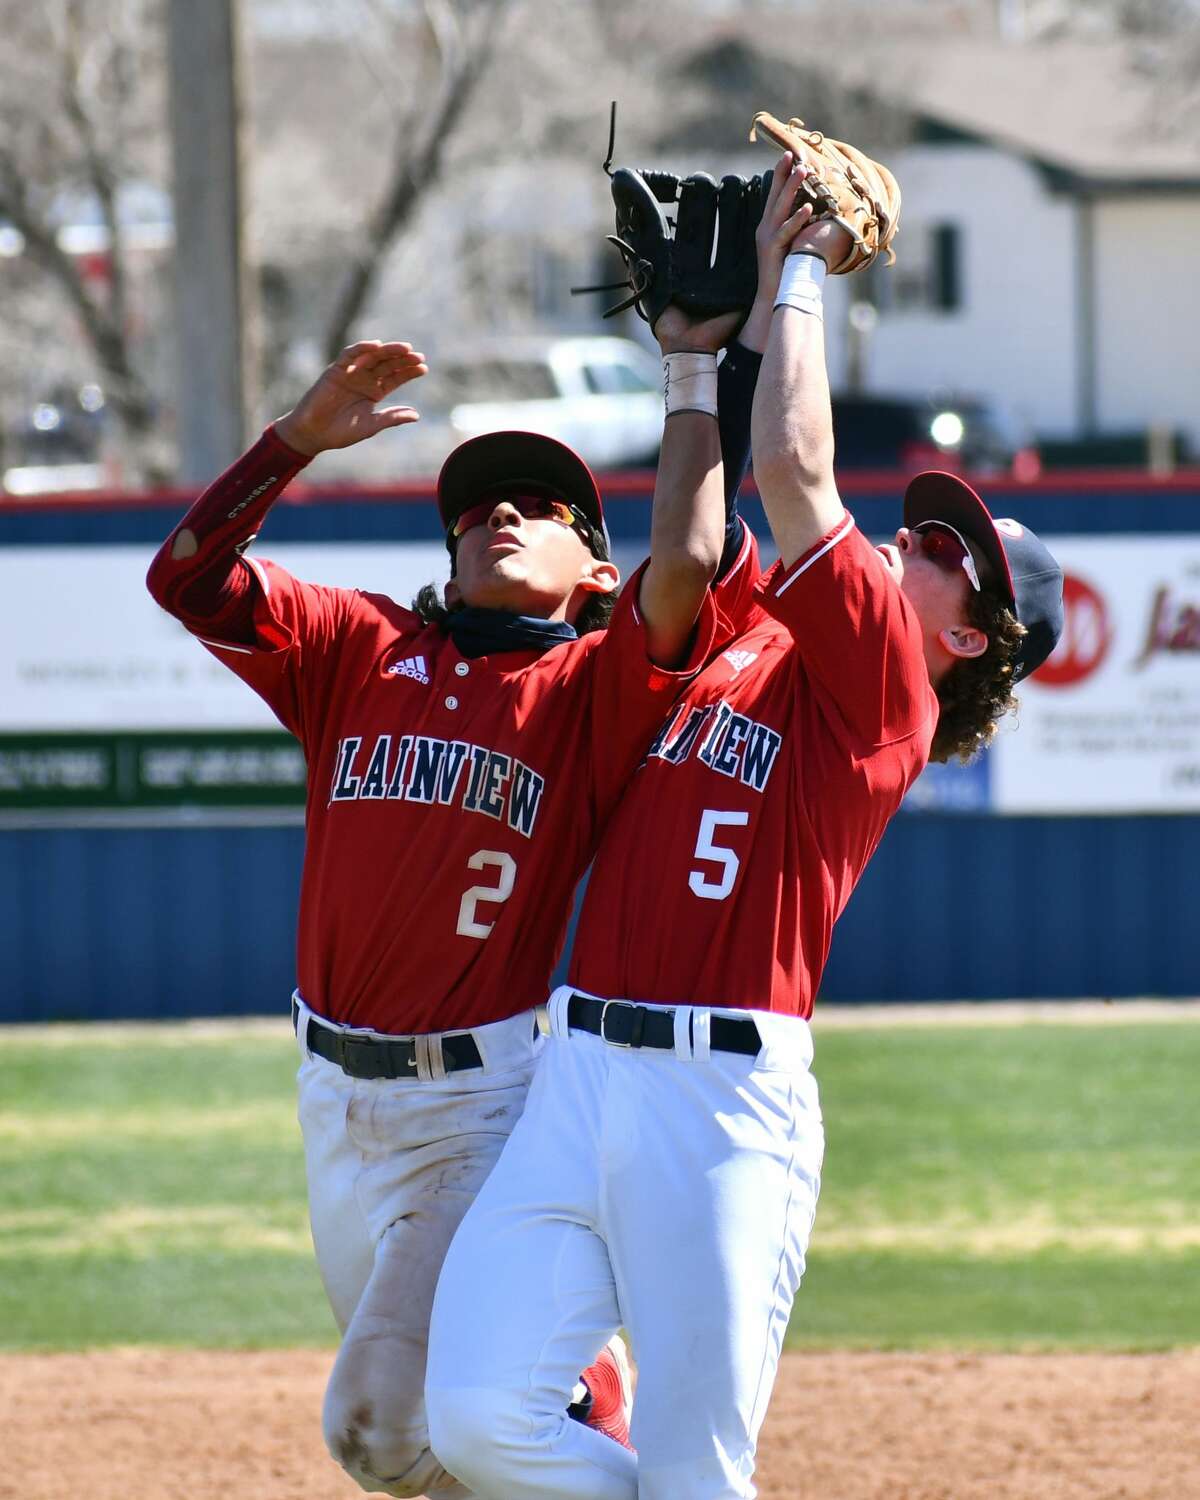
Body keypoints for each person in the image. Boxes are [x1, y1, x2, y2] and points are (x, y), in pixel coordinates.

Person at [423, 153, 1066, 1500]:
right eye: (936, 530)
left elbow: (791, 461)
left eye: (958, 562)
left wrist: (804, 275)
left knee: (697, 1469)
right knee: (478, 1422)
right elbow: (700, 536)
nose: (926, 545)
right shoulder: (764, 637)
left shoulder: (886, 692)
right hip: (579, 1073)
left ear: (975, 643)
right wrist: (696, 356)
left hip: (717, 1112)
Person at [145, 264, 770, 1498]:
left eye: (540, 507)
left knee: (377, 1428)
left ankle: (614, 1434)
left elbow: (691, 567)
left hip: (478, 1110)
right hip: (331, 1095)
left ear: (597, 570)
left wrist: (703, 373)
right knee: (435, 1432)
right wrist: (291, 445)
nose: (501, 515)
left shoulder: (595, 692)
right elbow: (186, 579)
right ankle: (584, 1391)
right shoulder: (360, 647)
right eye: (482, 506)